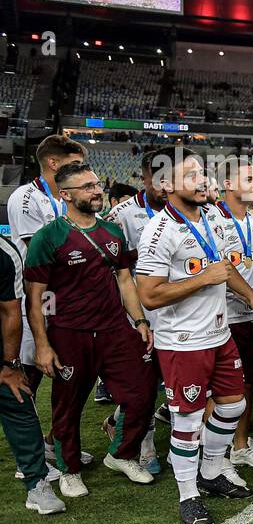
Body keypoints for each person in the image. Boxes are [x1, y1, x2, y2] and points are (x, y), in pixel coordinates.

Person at [136, 146, 253, 524]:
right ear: (166, 184)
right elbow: (148, 294)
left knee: (233, 406)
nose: (203, 181)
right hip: (182, 342)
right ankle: (188, 495)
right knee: (187, 420)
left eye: (203, 173)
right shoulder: (158, 231)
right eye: (191, 175)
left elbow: (223, 269)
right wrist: (202, 279)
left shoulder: (210, 218)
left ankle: (211, 470)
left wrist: (252, 296)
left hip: (218, 333)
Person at [23, 162, 156, 499]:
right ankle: (69, 470)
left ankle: (122, 454)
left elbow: (125, 279)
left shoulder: (113, 232)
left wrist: (139, 320)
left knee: (141, 393)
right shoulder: (48, 236)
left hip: (114, 328)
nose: (96, 191)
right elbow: (35, 296)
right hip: (70, 333)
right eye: (87, 187)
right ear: (65, 194)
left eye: (97, 185)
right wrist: (42, 345)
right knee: (68, 405)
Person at [5, 134, 88, 465]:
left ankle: (55, 441)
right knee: (32, 371)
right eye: (76, 163)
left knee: (72, 373)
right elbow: (41, 253)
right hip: (40, 297)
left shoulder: (67, 196)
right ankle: (31, 454)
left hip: (70, 297)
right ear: (54, 163)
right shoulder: (26, 199)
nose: (83, 169)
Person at [103, 145, 173, 475]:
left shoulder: (192, 211)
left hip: (178, 314)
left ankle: (118, 420)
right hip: (140, 316)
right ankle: (144, 446)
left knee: (171, 381)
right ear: (143, 178)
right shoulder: (121, 215)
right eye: (157, 178)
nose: (164, 185)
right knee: (144, 385)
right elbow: (107, 265)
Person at [0, 232, 64, 514]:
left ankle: (37, 483)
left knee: (19, 399)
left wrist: (9, 365)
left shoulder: (5, 253)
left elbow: (10, 312)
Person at [218, 160, 253, 472]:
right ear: (228, 185)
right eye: (249, 179)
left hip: (250, 317)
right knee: (222, 389)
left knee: (247, 383)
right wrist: (252, 296)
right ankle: (209, 449)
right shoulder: (212, 219)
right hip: (221, 318)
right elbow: (222, 268)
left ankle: (239, 445)